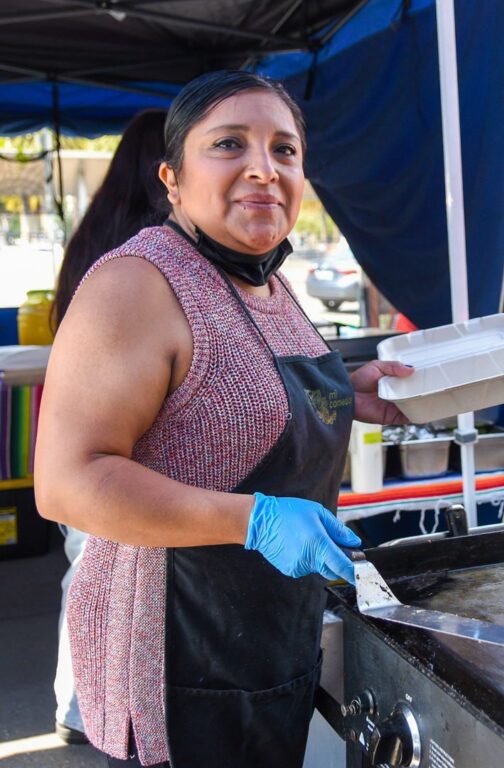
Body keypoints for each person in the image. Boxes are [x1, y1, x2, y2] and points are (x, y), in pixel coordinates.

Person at [34, 71, 413, 768]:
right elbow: (66, 481)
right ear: (172, 179)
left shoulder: (268, 279)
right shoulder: (138, 283)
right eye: (229, 144)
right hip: (176, 653)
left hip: (272, 631)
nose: (263, 170)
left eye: (285, 150)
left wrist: (341, 392)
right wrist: (255, 520)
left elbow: (240, 395)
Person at [51, 108, 168, 746]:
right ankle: (106, 713)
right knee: (121, 590)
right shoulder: (148, 259)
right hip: (127, 454)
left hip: (72, 434)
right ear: (168, 170)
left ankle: (77, 707)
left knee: (85, 571)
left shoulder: (89, 242)